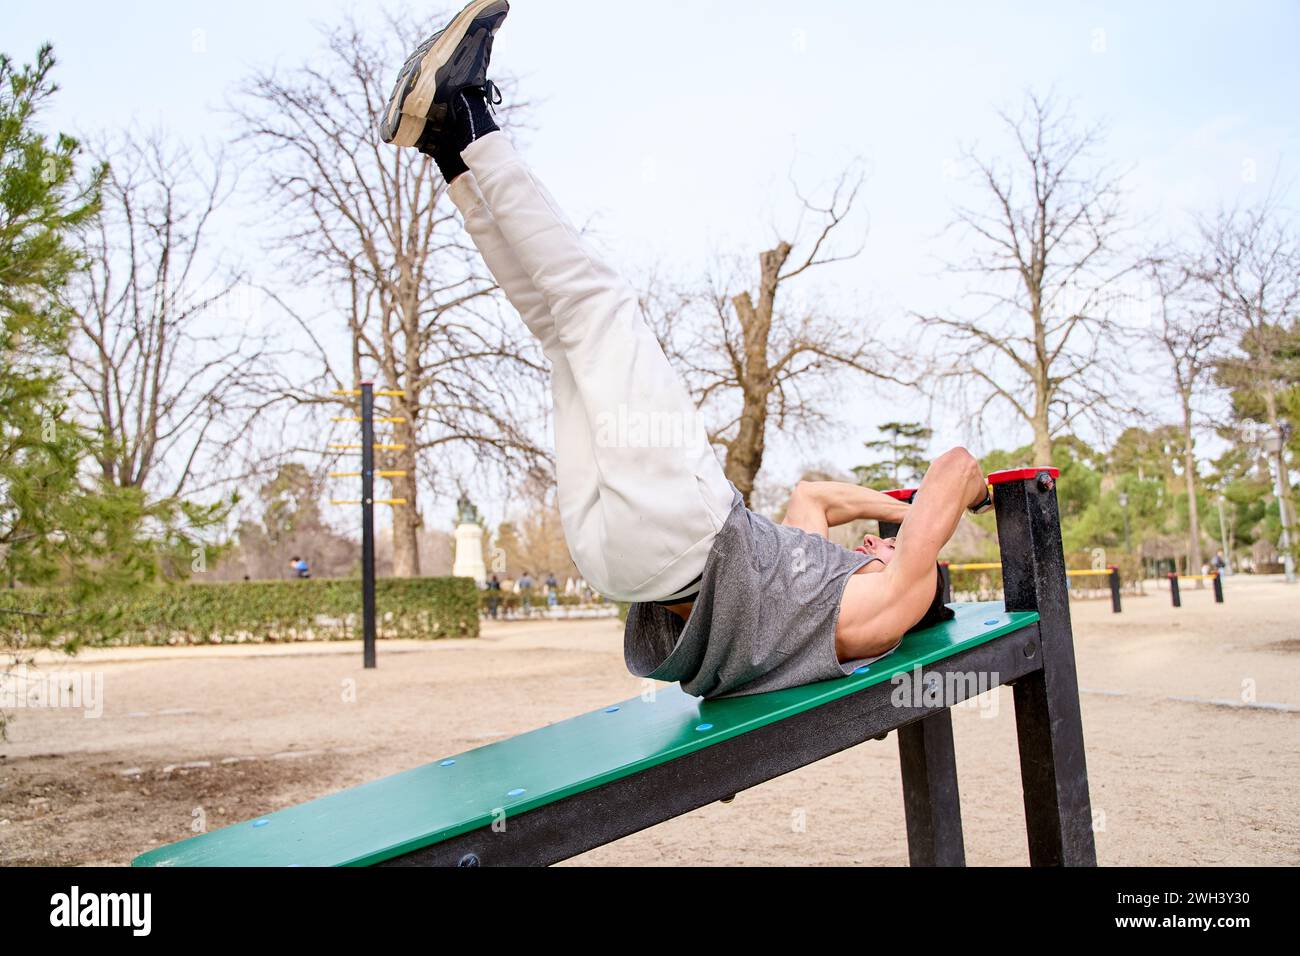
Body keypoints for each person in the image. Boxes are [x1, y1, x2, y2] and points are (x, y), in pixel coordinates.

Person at [379, 1, 991, 699]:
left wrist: (949, 509)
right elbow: (813, 495)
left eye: (890, 552)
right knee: (562, 333)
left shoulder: (886, 611)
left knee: (598, 304)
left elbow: (957, 465)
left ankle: (470, 118)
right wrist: (900, 511)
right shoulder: (809, 585)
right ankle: (449, 143)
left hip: (688, 540)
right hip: (627, 563)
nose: (876, 543)